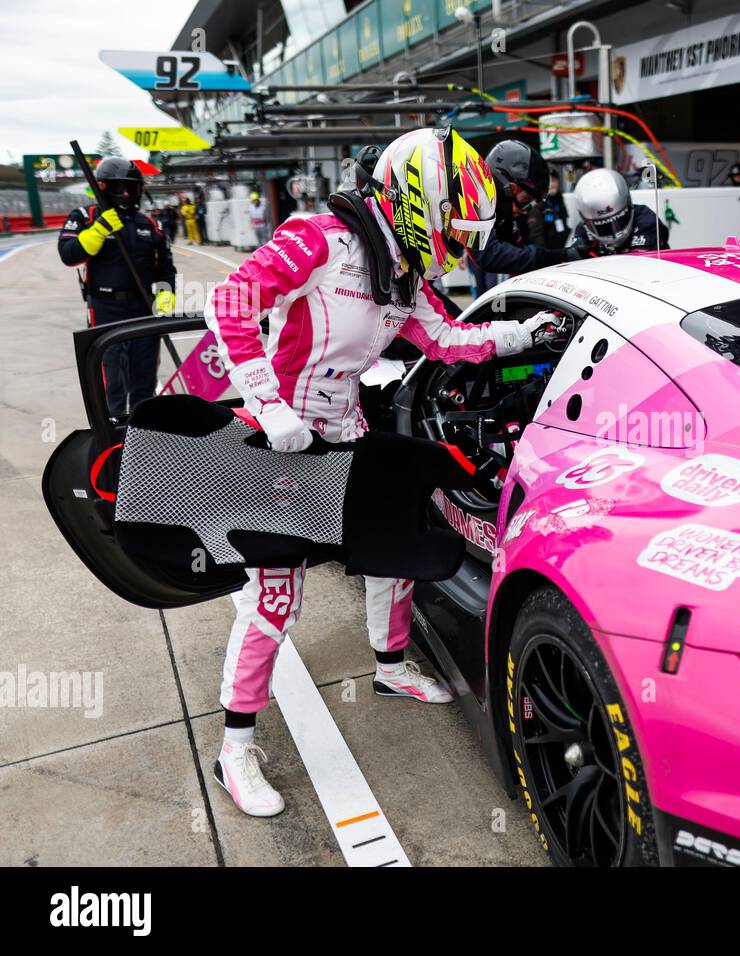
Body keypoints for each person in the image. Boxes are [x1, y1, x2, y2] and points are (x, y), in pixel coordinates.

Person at [203, 127, 562, 817]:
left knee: (392, 552)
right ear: (415, 201)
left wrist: (524, 334)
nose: (457, 244)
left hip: (346, 431)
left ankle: (392, 670)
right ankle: (235, 748)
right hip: (280, 445)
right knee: (276, 602)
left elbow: (449, 338)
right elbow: (232, 303)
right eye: (451, 226)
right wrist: (269, 405)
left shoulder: (402, 270)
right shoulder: (319, 237)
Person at [57, 157, 175, 420]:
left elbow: (166, 267)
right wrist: (98, 231)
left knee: (145, 375)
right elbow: (68, 254)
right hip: (106, 308)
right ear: (102, 186)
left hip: (144, 306)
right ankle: (113, 429)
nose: (124, 194)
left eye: (130, 188)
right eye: (119, 187)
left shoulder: (150, 224)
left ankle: (146, 427)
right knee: (114, 377)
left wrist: (166, 294)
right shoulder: (85, 216)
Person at [472, 140, 579, 280]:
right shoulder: (473, 197)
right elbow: (489, 255)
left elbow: (519, 254)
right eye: (525, 201)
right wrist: (562, 255)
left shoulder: (504, 217)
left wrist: (568, 255)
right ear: (511, 189)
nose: (525, 211)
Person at [567, 168, 669, 256]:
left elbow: (641, 265)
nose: (614, 235)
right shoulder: (583, 231)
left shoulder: (646, 221)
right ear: (587, 222)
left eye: (618, 222)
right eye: (603, 228)